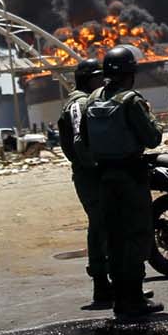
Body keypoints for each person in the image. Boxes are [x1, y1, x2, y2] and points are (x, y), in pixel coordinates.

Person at [80, 45, 165, 318]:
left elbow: (82, 139)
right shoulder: (130, 101)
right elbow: (152, 138)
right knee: (137, 236)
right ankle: (135, 300)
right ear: (130, 73)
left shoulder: (92, 99)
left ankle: (120, 299)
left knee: (114, 239)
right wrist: (155, 123)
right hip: (131, 177)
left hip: (104, 178)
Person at [56, 58, 109, 307]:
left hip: (92, 172)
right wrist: (96, 165)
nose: (103, 81)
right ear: (88, 80)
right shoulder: (78, 103)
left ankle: (115, 283)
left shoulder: (86, 100)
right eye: (98, 77)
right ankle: (101, 286)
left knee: (106, 226)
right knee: (99, 225)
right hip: (90, 175)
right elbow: (78, 140)